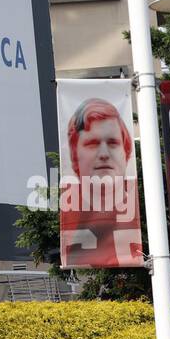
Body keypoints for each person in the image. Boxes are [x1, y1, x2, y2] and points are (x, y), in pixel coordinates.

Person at [61, 98, 143, 268]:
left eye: (113, 143)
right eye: (92, 144)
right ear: (74, 157)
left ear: (126, 153)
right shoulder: (73, 239)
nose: (104, 153)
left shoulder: (147, 218)